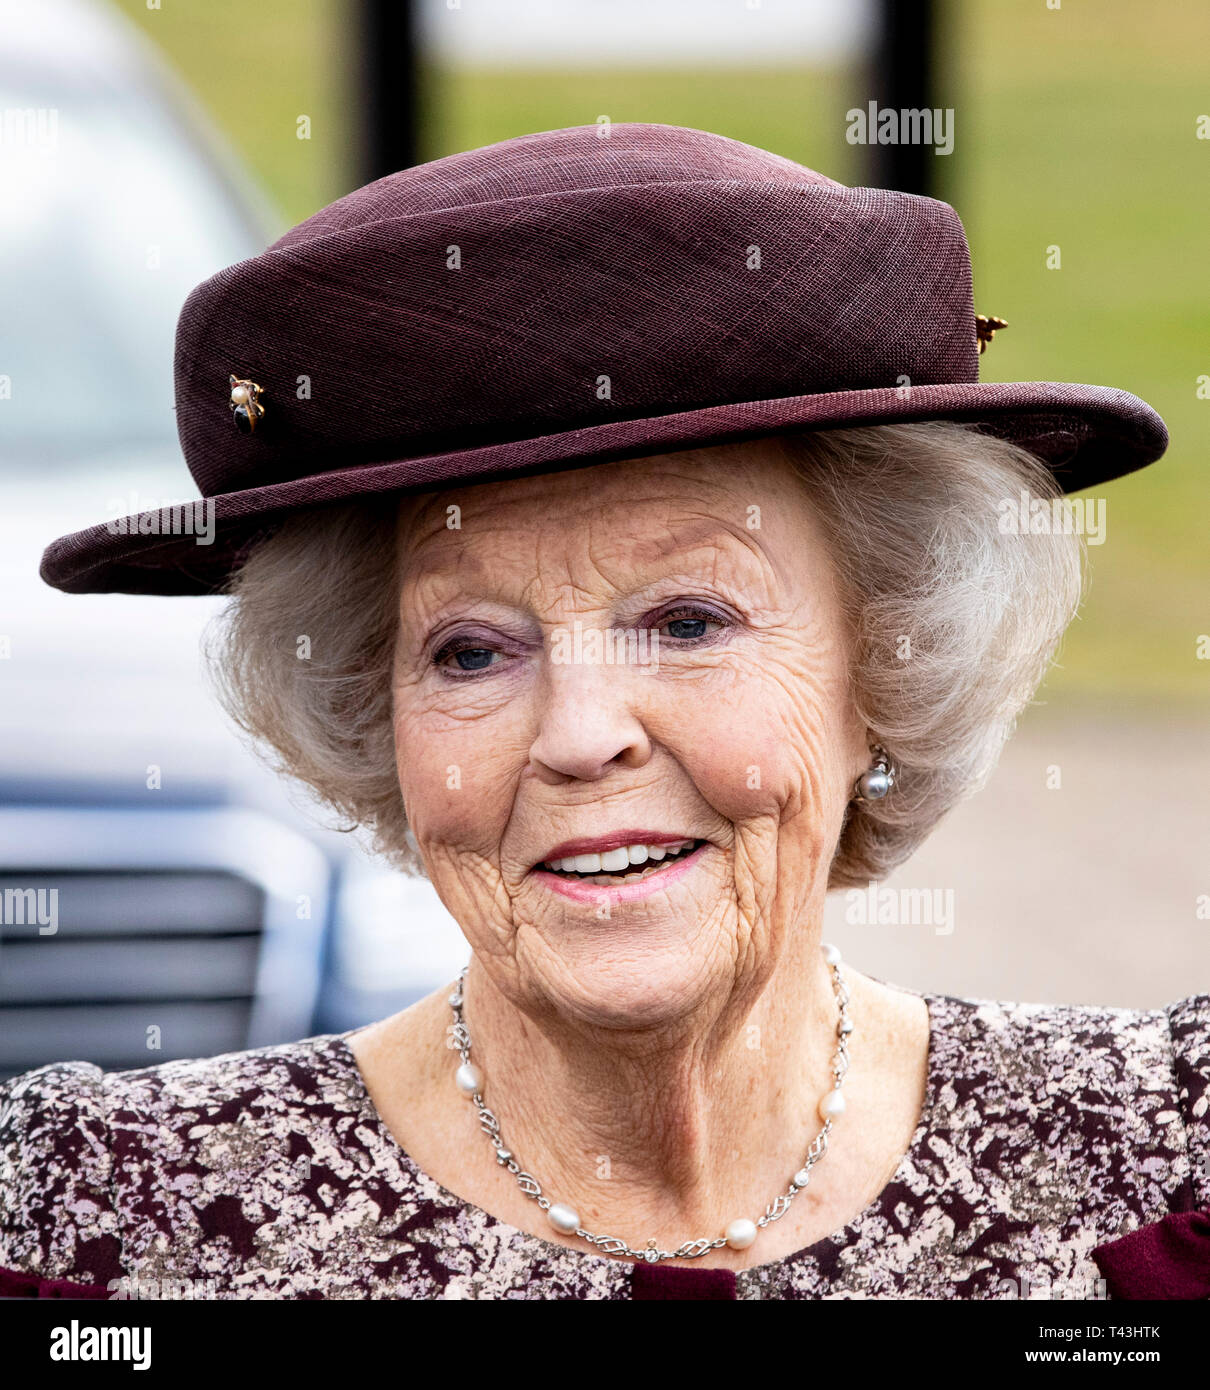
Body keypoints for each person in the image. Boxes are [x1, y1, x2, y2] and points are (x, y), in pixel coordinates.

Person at [4, 124, 1205, 1301]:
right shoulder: (116, 1234)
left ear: (886, 673)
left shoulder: (1159, 1180)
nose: (580, 736)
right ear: (373, 718)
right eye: (470, 652)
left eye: (689, 623)